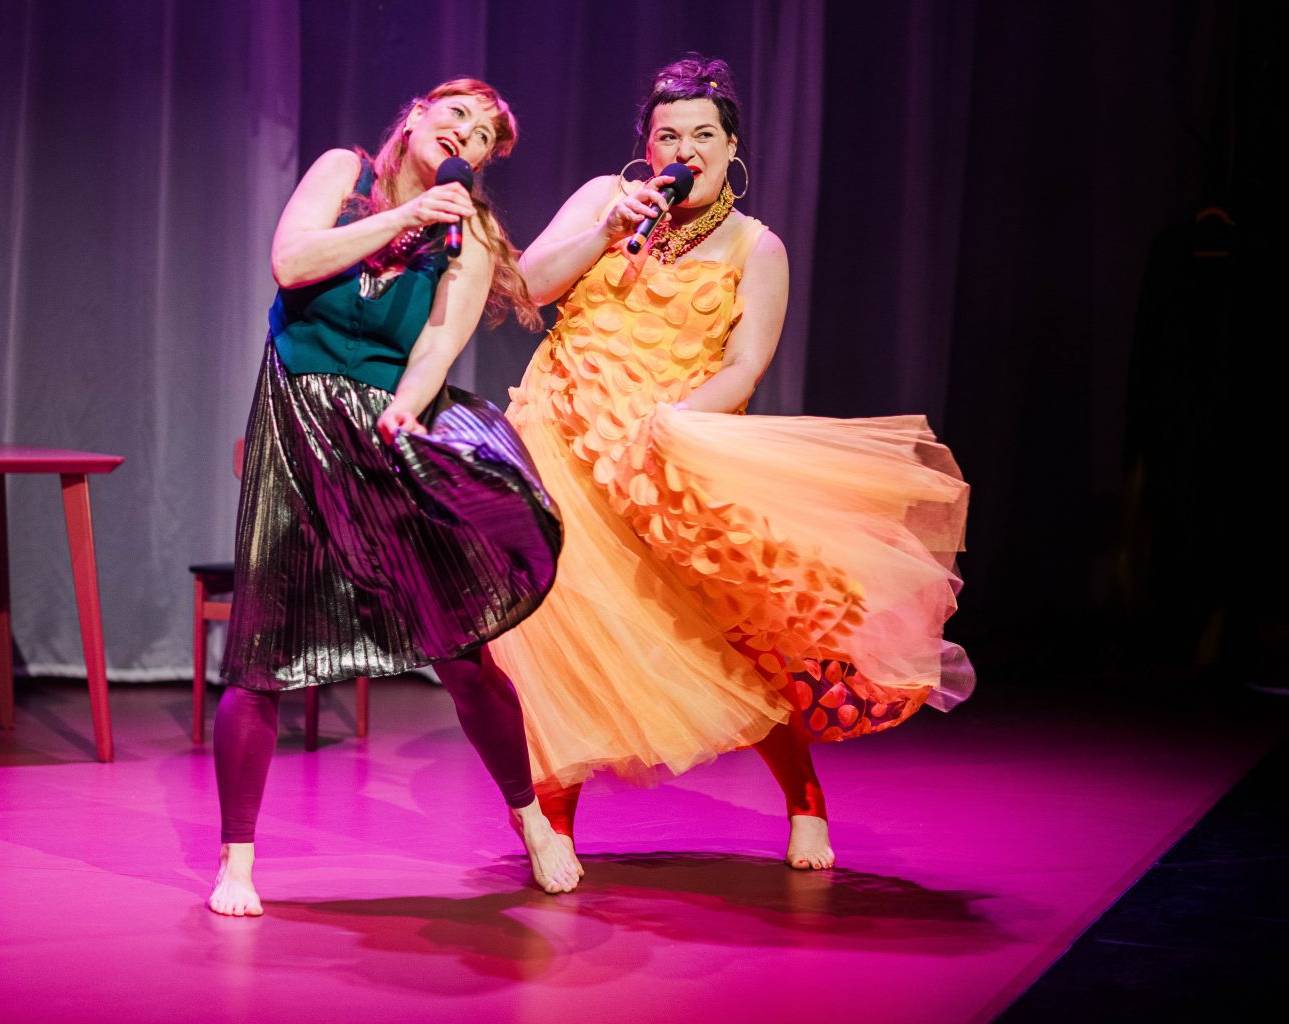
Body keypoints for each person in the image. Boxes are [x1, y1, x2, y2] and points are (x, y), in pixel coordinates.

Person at [487, 55, 973, 872]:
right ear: (647, 145)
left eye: (703, 135)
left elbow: (745, 364)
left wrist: (674, 421)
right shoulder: (611, 200)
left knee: (724, 635)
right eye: (668, 134)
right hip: (561, 435)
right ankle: (557, 827)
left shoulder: (758, 245)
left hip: (668, 450)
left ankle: (805, 799)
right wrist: (607, 228)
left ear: (731, 145)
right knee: (555, 633)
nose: (686, 148)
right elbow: (527, 288)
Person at [208, 79, 582, 917]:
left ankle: (533, 821)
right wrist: (404, 219)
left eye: (485, 135)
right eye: (456, 116)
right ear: (414, 117)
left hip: (385, 426)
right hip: (296, 419)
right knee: (261, 650)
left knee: (459, 650)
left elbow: (439, 345)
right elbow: (292, 261)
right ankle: (236, 862)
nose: (467, 136)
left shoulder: (471, 233)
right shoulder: (344, 175)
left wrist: (406, 413)